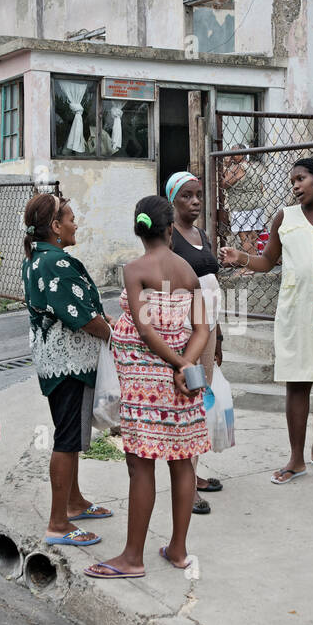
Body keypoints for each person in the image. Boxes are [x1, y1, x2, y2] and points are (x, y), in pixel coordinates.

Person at [85, 197, 210, 579]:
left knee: (141, 466)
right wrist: (187, 364)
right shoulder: (188, 270)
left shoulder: (135, 268)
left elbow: (143, 327)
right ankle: (178, 549)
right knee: (182, 460)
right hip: (181, 385)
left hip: (146, 382)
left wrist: (176, 363)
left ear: (139, 230)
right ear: (170, 229)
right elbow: (202, 328)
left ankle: (133, 558)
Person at [218, 157, 313, 485]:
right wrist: (242, 257)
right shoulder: (284, 217)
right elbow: (267, 260)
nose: (294, 185)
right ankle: (296, 457)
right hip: (296, 310)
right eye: (292, 180)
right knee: (297, 381)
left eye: (301, 178)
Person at [21, 192, 113, 547]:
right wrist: (115, 334)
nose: (76, 223)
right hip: (69, 365)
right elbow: (79, 316)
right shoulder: (55, 262)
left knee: (69, 435)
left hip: (56, 362)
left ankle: (74, 502)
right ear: (56, 227)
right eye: (71, 218)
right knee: (67, 439)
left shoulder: (37, 258)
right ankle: (58, 523)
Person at [166, 171, 225, 515]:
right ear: (172, 200)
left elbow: (212, 285)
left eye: (199, 195)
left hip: (208, 328)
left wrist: (219, 338)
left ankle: (194, 471)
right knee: (188, 404)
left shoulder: (201, 234)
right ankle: (185, 485)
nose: (195, 202)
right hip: (186, 332)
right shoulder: (169, 237)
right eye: (187, 196)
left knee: (200, 404)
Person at [220, 150, 268, 253]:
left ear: (242, 154)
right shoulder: (252, 167)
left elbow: (224, 184)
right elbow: (261, 186)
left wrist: (225, 166)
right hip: (256, 203)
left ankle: (250, 266)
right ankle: (255, 262)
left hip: (242, 205)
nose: (232, 156)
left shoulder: (238, 167)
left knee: (244, 236)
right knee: (253, 236)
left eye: (235, 154)